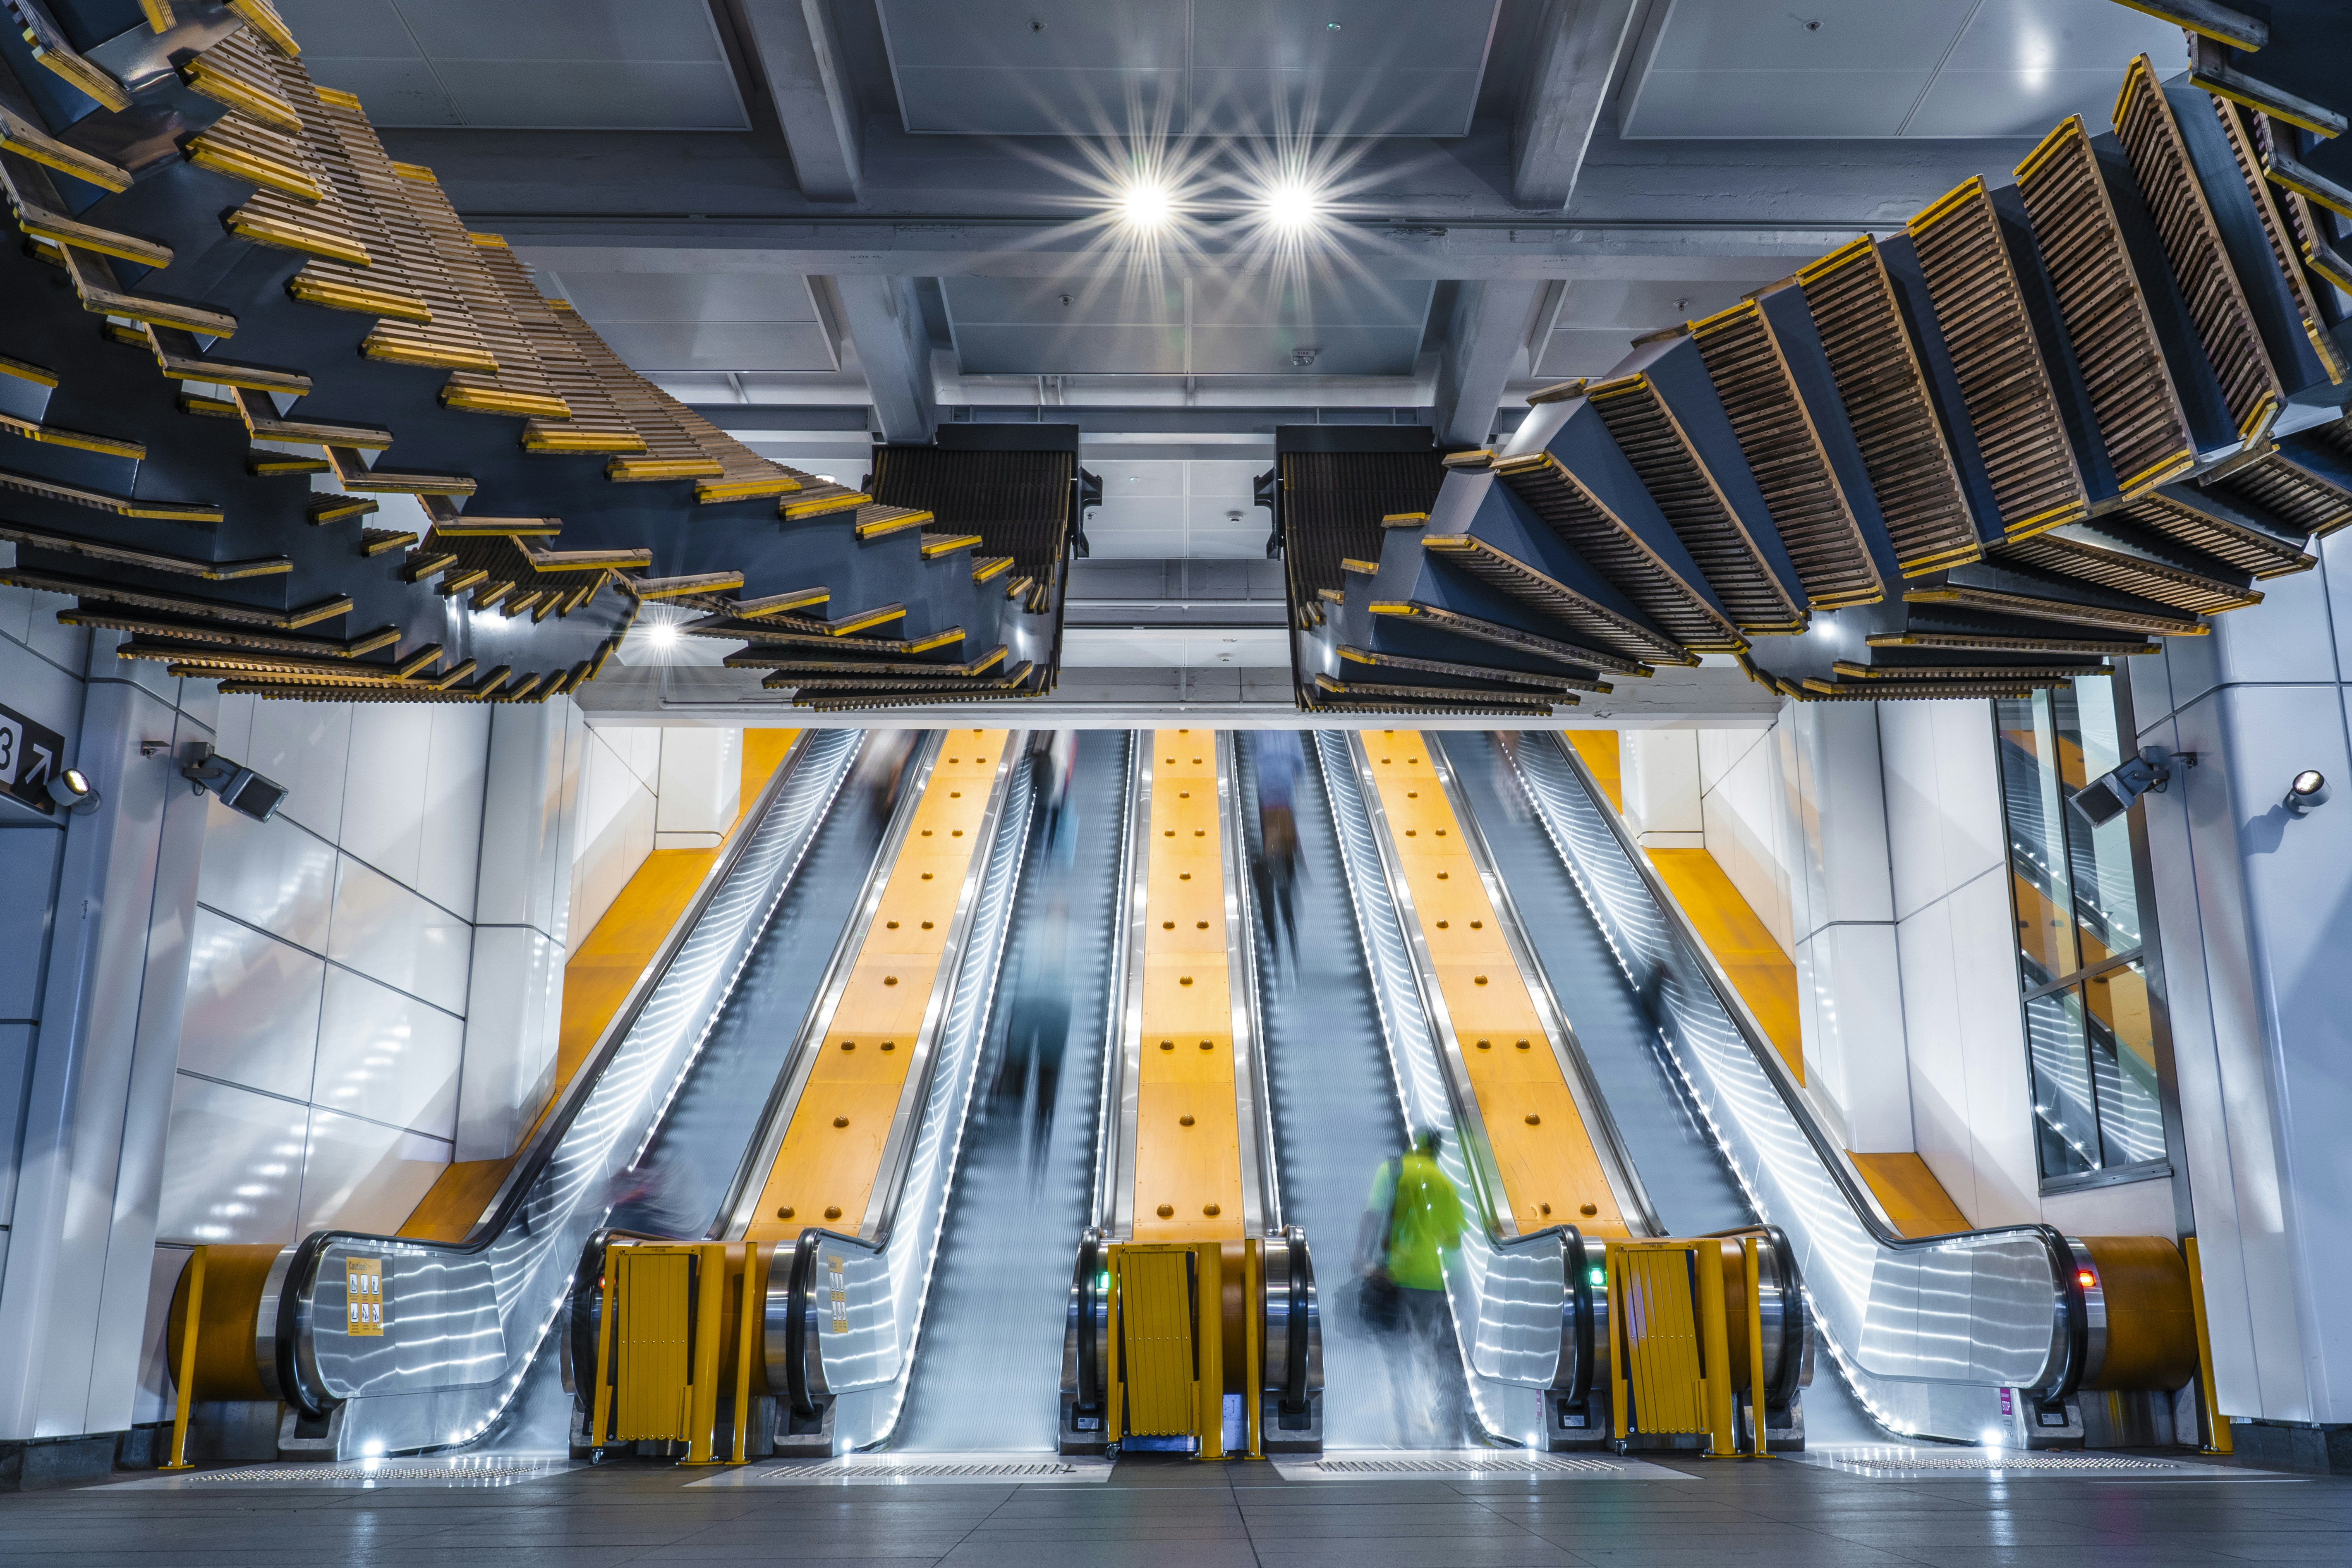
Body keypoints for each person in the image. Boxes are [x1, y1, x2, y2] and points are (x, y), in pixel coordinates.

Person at [1356, 1130, 1465, 1346]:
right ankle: (1422, 1366)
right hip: (1431, 1280)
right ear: (1437, 1152)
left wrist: (1359, 1254)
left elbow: (1373, 1215)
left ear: (1409, 1143)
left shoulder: (1392, 1170)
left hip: (1392, 1274)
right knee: (1423, 1340)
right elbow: (1454, 1241)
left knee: (1388, 1338)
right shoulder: (1446, 1185)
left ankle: (1391, 1367)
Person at [1252, 730, 1303, 966]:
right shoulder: (1291, 732)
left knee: (1274, 864)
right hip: (1283, 802)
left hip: (1269, 801)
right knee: (1284, 878)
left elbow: (1257, 755)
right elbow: (1299, 765)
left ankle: (1275, 943)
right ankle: (1289, 934)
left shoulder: (1261, 732)